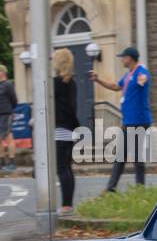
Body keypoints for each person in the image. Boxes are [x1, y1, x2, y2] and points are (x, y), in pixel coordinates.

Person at [90, 46, 151, 192]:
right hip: (130, 121)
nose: (122, 59)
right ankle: (120, 188)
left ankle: (133, 189)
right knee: (124, 156)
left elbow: (144, 79)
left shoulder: (140, 72)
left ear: (130, 58)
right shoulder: (128, 75)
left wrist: (142, 81)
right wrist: (98, 80)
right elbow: (116, 86)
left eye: (123, 57)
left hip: (138, 120)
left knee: (132, 157)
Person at [52, 49, 80, 214]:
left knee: (62, 168)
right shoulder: (71, 82)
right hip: (70, 128)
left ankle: (66, 205)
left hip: (60, 128)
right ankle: (67, 203)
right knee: (66, 167)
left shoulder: (56, 83)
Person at [0, 65, 19, 172]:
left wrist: (10, 111)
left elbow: (14, 100)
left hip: (5, 115)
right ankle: (1, 161)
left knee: (8, 138)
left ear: (2, 72)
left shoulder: (8, 84)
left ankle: (12, 162)